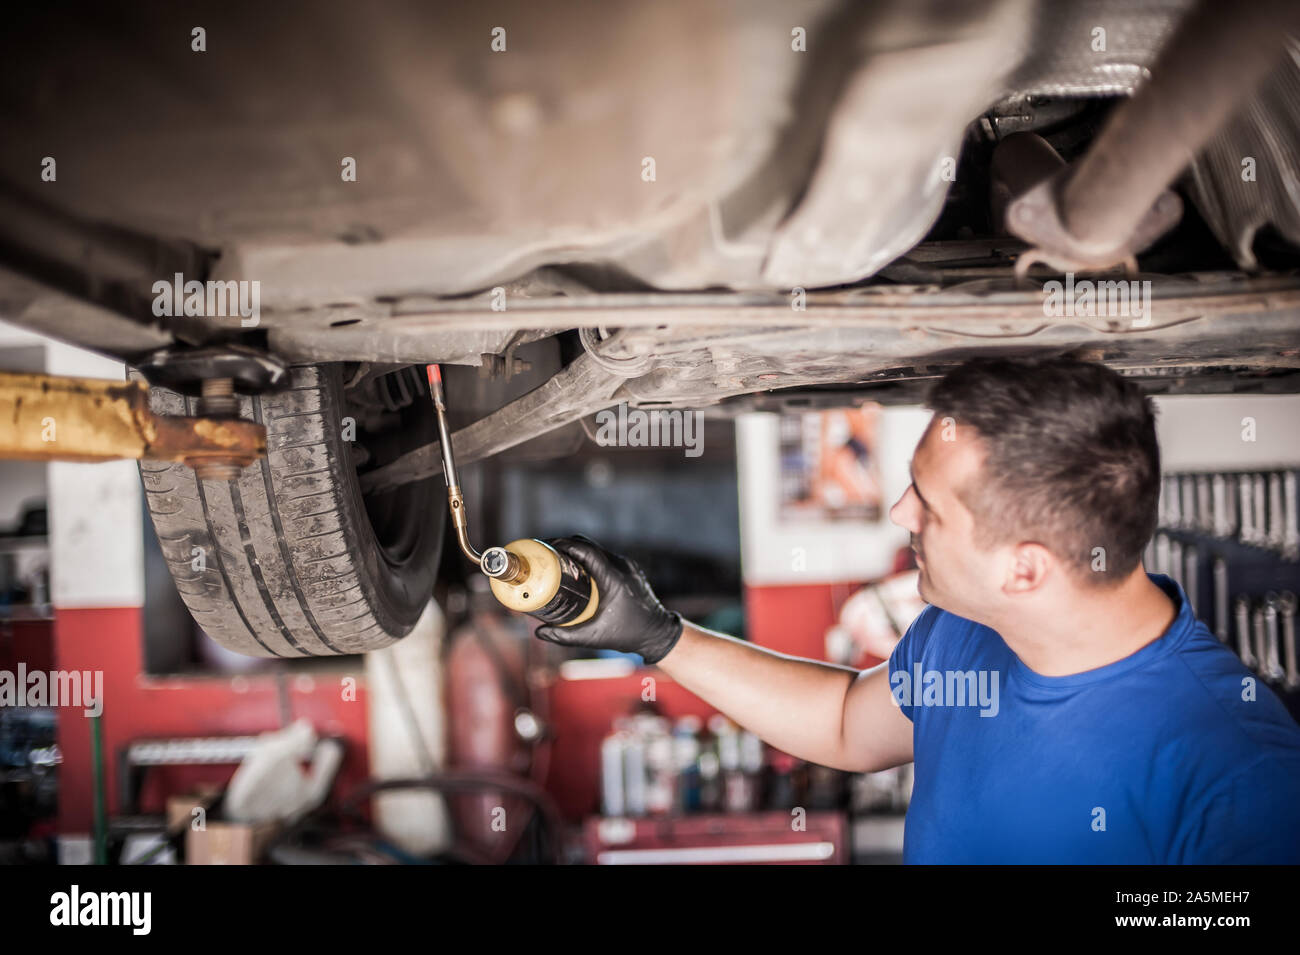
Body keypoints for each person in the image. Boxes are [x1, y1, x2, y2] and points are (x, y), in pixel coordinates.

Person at [534, 356, 1300, 863]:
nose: (899, 511)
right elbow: (842, 723)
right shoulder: (964, 630)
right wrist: (658, 635)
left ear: (1024, 567)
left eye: (927, 505)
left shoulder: (1240, 768)